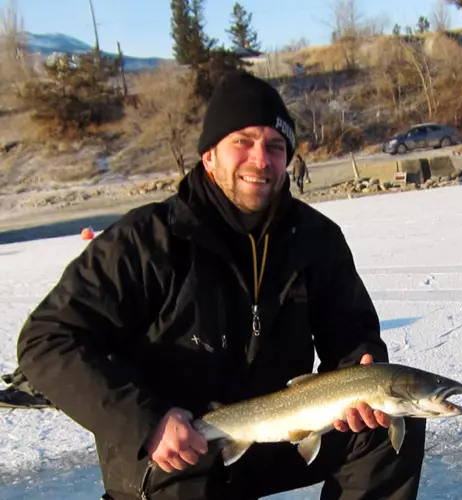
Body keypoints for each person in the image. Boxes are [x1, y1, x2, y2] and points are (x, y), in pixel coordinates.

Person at [16, 70, 426, 500]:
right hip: (177, 451)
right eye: (242, 142)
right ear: (209, 155)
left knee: (392, 419)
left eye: (275, 146)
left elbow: (352, 333)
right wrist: (146, 420)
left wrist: (362, 370)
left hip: (273, 434)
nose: (260, 159)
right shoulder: (147, 239)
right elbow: (47, 340)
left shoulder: (316, 239)